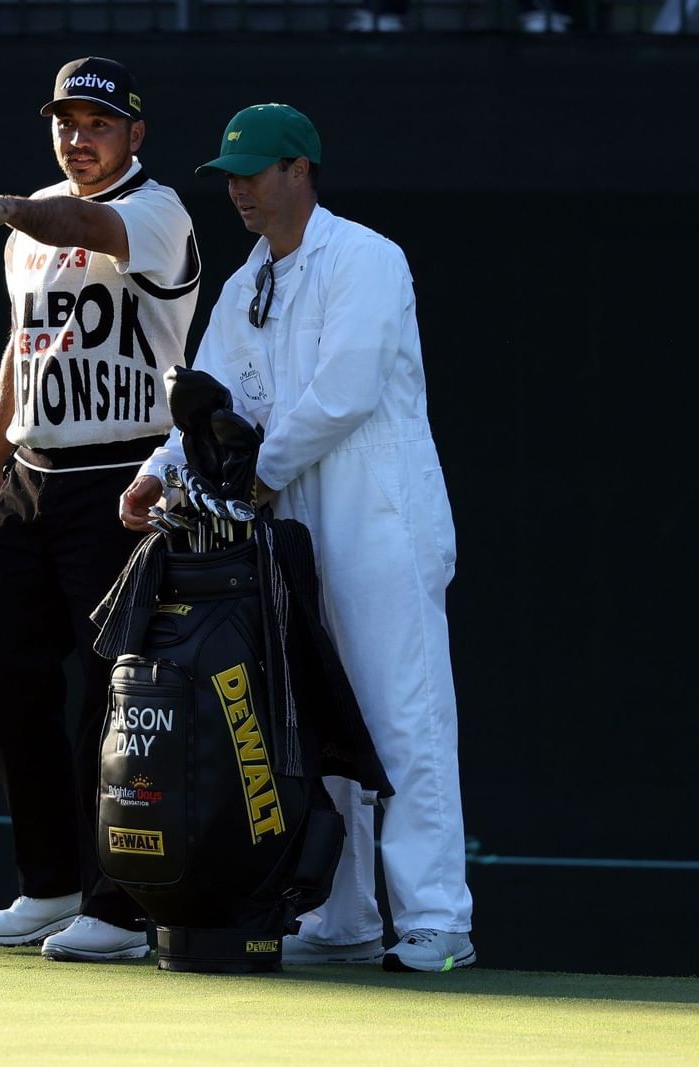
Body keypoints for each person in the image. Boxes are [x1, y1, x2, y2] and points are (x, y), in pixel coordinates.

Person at [118, 103, 474, 973]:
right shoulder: (245, 285)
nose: (239, 188)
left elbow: (345, 389)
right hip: (291, 532)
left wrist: (260, 475)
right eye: (231, 174)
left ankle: (437, 919)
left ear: (301, 171)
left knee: (403, 718)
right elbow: (209, 396)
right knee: (317, 722)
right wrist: (162, 469)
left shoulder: (368, 258)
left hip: (378, 518)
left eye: (255, 171)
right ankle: (344, 917)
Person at [0, 56, 202, 963]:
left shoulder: (156, 210)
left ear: (135, 132)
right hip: (35, 476)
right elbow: (25, 347)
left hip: (125, 477)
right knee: (10, 683)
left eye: (96, 124)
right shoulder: (28, 229)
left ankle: (121, 903)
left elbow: (86, 223)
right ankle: (49, 884)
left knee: (115, 696)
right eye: (65, 122)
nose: (78, 138)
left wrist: (12, 206)